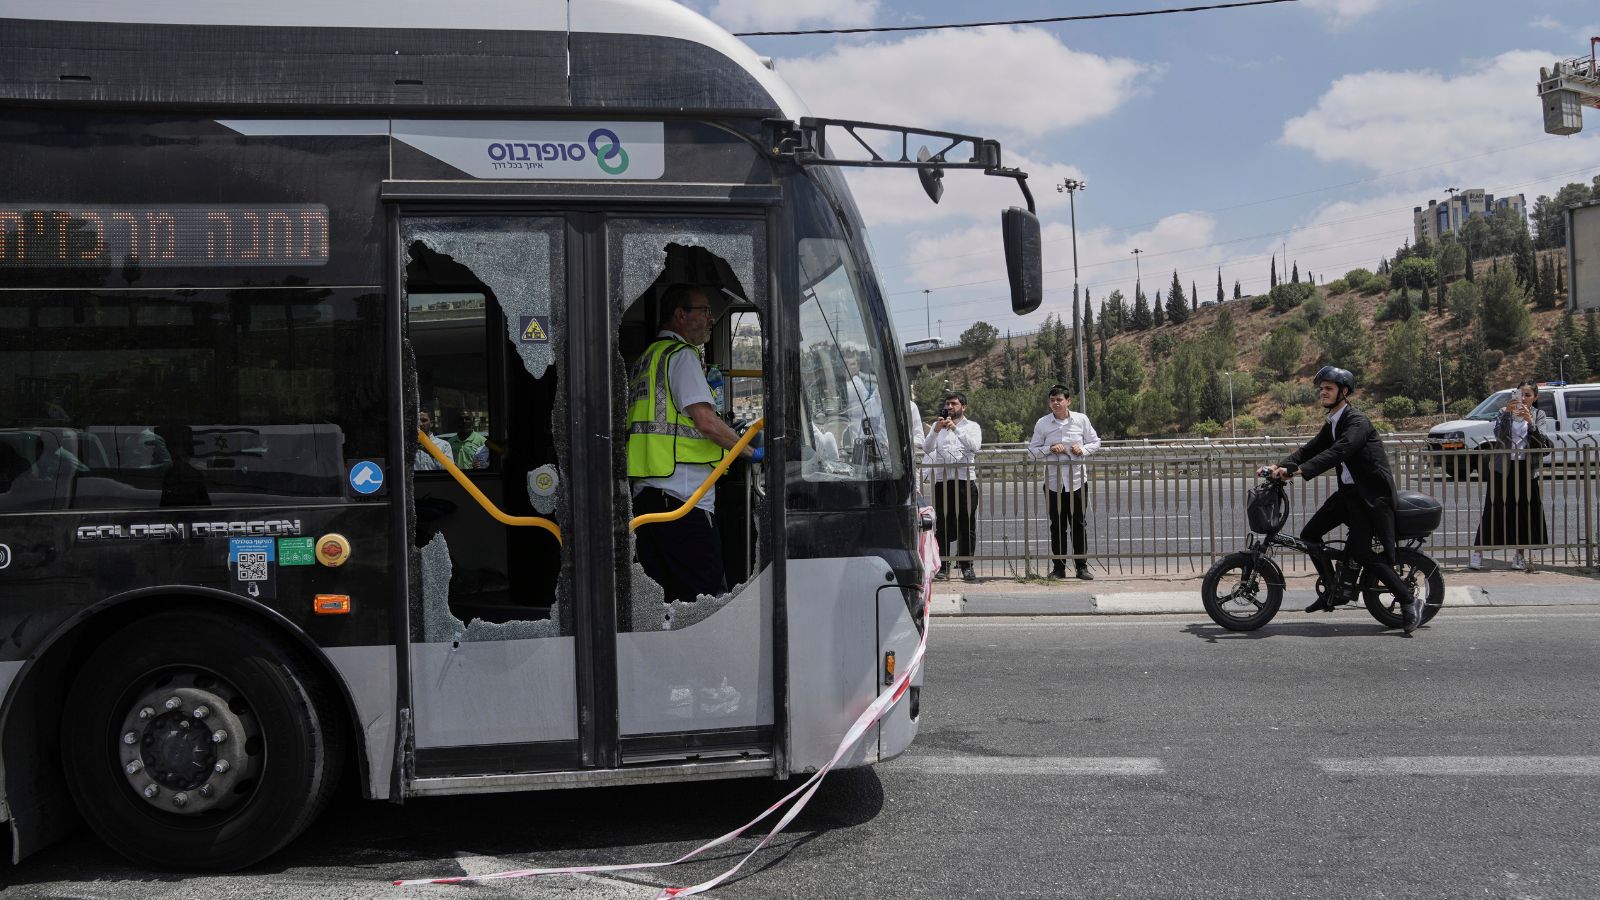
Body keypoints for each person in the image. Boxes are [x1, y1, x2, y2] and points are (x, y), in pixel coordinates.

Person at [627, 284, 760, 603]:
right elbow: (704, 421)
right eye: (705, 311)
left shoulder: (647, 359)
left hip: (649, 497)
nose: (712, 319)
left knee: (665, 598)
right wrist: (750, 451)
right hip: (684, 499)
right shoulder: (682, 356)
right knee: (703, 599)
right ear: (681, 315)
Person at [1268, 365, 1422, 634]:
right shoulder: (1333, 423)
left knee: (1362, 552)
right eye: (1321, 389)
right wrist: (1278, 466)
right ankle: (1333, 590)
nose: (1322, 393)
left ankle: (1409, 600)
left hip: (1370, 497)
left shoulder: (1357, 422)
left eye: (1328, 388)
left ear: (1344, 391)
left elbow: (1341, 451)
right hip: (1349, 495)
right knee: (1310, 534)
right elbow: (1310, 450)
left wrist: (1298, 471)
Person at [1470, 380, 1550, 571]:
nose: (1523, 399)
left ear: (1535, 398)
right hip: (1503, 467)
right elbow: (1499, 435)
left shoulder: (1539, 415)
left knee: (1523, 510)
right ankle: (1477, 553)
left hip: (1525, 468)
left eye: (1528, 395)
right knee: (1493, 508)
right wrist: (1507, 413)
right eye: (1520, 394)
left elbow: (1541, 442)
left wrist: (1530, 422)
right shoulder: (1503, 413)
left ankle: (1519, 556)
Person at [1028, 385, 1100, 580]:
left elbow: (1096, 442)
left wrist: (1082, 450)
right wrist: (1049, 448)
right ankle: (1058, 568)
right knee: (1057, 525)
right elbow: (1032, 450)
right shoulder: (1042, 423)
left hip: (1077, 480)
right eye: (1052, 400)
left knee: (1079, 524)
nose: (1056, 403)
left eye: (1059, 399)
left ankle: (1081, 567)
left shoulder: (1081, 420)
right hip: (1053, 483)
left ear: (1068, 401)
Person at [922, 390, 982, 581]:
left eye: (954, 404)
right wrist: (937, 429)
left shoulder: (972, 426)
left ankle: (967, 565)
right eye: (948, 403)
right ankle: (943, 565)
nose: (949, 407)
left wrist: (955, 429)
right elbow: (927, 447)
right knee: (944, 524)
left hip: (965, 480)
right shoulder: (937, 426)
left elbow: (975, 446)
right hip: (943, 481)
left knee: (967, 523)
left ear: (963, 407)